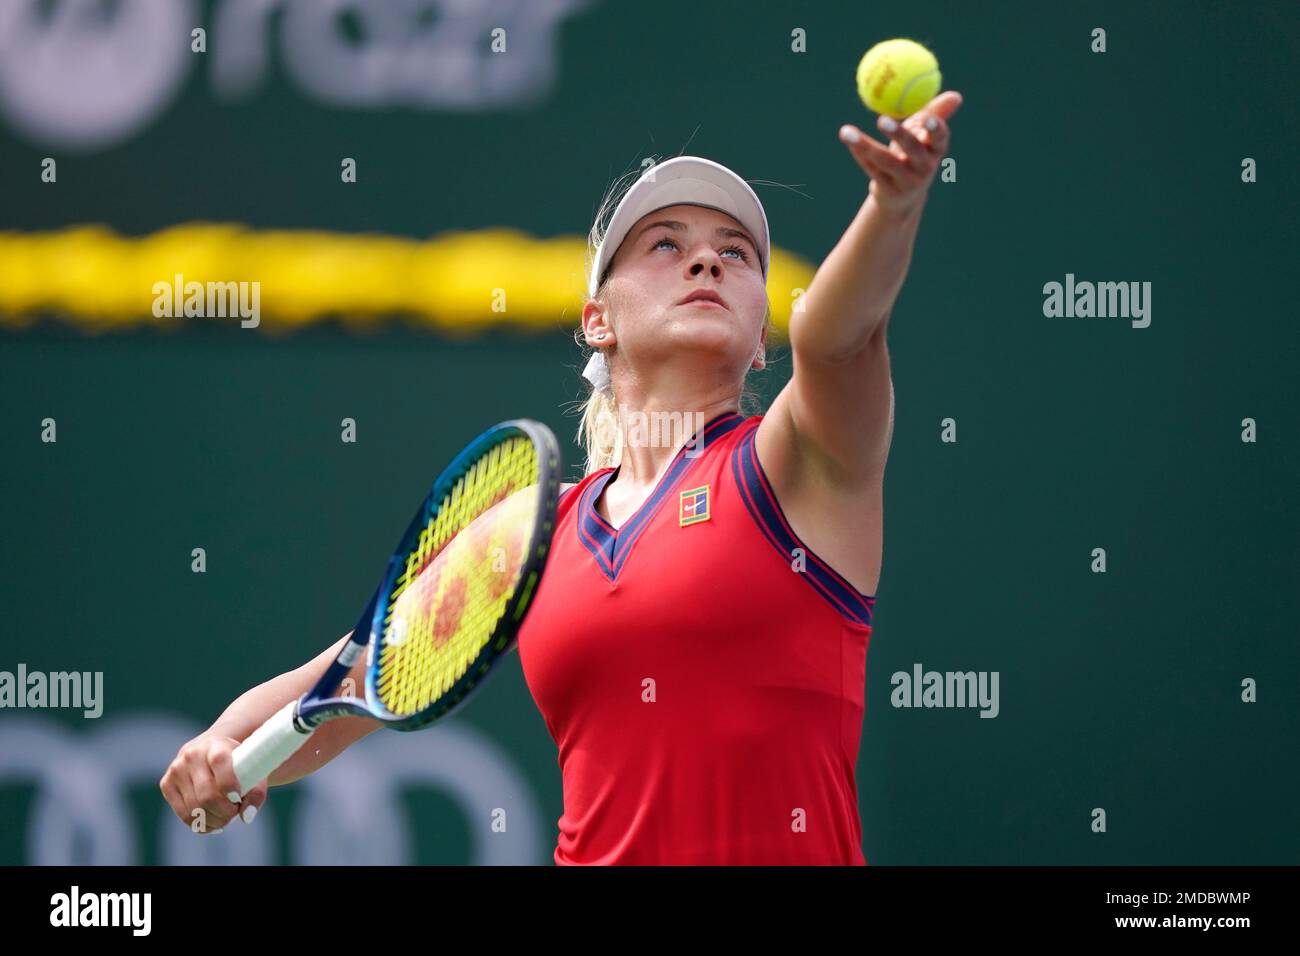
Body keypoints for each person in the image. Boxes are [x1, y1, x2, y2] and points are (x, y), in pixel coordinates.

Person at [159, 91, 962, 860]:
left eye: (735, 253)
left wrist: (893, 207)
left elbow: (837, 338)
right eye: (666, 246)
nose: (707, 262)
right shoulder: (536, 533)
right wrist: (220, 748)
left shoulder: (799, 463)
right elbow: (345, 686)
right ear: (597, 321)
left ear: (760, 341)